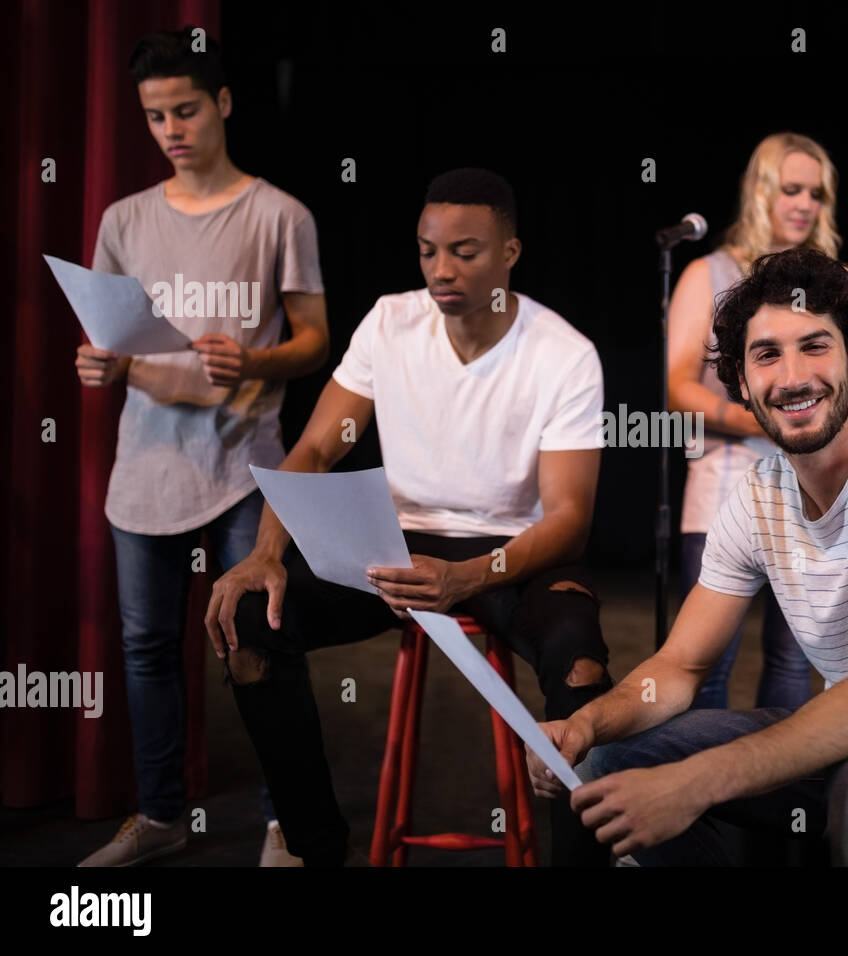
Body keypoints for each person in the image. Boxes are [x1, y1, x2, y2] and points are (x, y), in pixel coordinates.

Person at [529, 248, 848, 865]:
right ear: (743, 382)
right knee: (612, 760)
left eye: (815, 346)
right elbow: (680, 667)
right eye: (767, 355)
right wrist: (588, 724)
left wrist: (697, 781)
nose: (792, 377)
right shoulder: (758, 493)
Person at [204, 168, 615, 867]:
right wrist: (267, 551)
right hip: (398, 544)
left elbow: (570, 519)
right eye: (428, 250)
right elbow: (311, 450)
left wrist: (466, 577)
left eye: (464, 251)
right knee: (251, 623)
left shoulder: (564, 353)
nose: (441, 269)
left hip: (513, 550)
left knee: (579, 666)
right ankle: (314, 848)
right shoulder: (391, 322)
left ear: (509, 254)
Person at [76, 27, 329, 867]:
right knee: (148, 648)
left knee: (256, 641)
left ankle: (282, 824)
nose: (171, 129)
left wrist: (255, 358)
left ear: (222, 103)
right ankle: (159, 818)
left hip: (241, 465)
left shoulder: (280, 213)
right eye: (154, 116)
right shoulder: (123, 219)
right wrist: (96, 365)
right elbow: (107, 340)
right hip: (143, 467)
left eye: (185, 109)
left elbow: (317, 341)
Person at [667, 132, 847, 710]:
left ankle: (783, 796)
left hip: (813, 491)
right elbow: (677, 389)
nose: (803, 204)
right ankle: (700, 796)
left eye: (815, 194)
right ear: (760, 192)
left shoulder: (835, 283)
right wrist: (759, 421)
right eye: (790, 189)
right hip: (725, 486)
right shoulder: (711, 274)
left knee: (795, 659)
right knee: (705, 664)